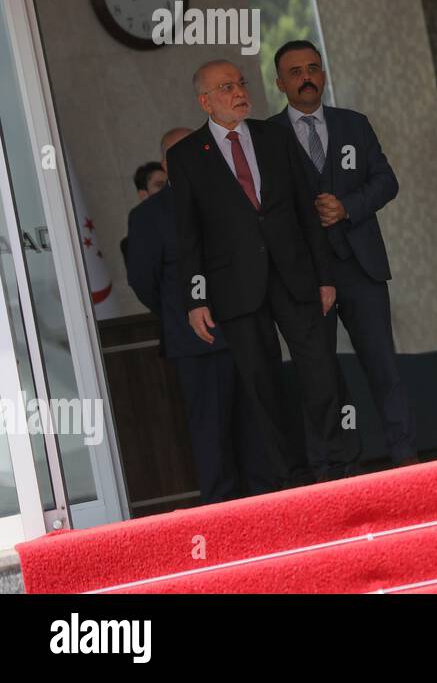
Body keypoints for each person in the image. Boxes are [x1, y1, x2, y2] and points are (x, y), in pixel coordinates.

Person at [168, 59, 360, 485]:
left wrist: (324, 276)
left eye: (240, 83)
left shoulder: (276, 136)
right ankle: (294, 477)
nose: (238, 92)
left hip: (294, 275)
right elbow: (188, 236)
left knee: (320, 370)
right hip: (233, 286)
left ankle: (339, 463)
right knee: (263, 384)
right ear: (205, 102)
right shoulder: (185, 156)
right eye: (225, 88)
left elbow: (307, 212)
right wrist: (196, 298)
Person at [268, 40, 417, 468]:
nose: (306, 77)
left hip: (361, 267)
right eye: (295, 72)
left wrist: (348, 206)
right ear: (280, 83)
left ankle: (406, 459)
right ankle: (332, 469)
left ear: (324, 75)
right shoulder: (269, 136)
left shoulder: (353, 124)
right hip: (308, 277)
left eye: (313, 68)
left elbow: (386, 181)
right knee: (320, 377)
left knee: (383, 366)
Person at [126, 128, 275, 503]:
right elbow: (144, 281)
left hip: (245, 330)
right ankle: (222, 519)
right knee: (212, 436)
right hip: (195, 341)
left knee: (260, 428)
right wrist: (181, 314)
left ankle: (268, 508)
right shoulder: (149, 215)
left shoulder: (229, 196)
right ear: (166, 163)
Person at [121, 161, 166, 263]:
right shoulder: (136, 241)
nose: (167, 190)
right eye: (159, 185)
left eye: (169, 184)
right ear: (143, 195)